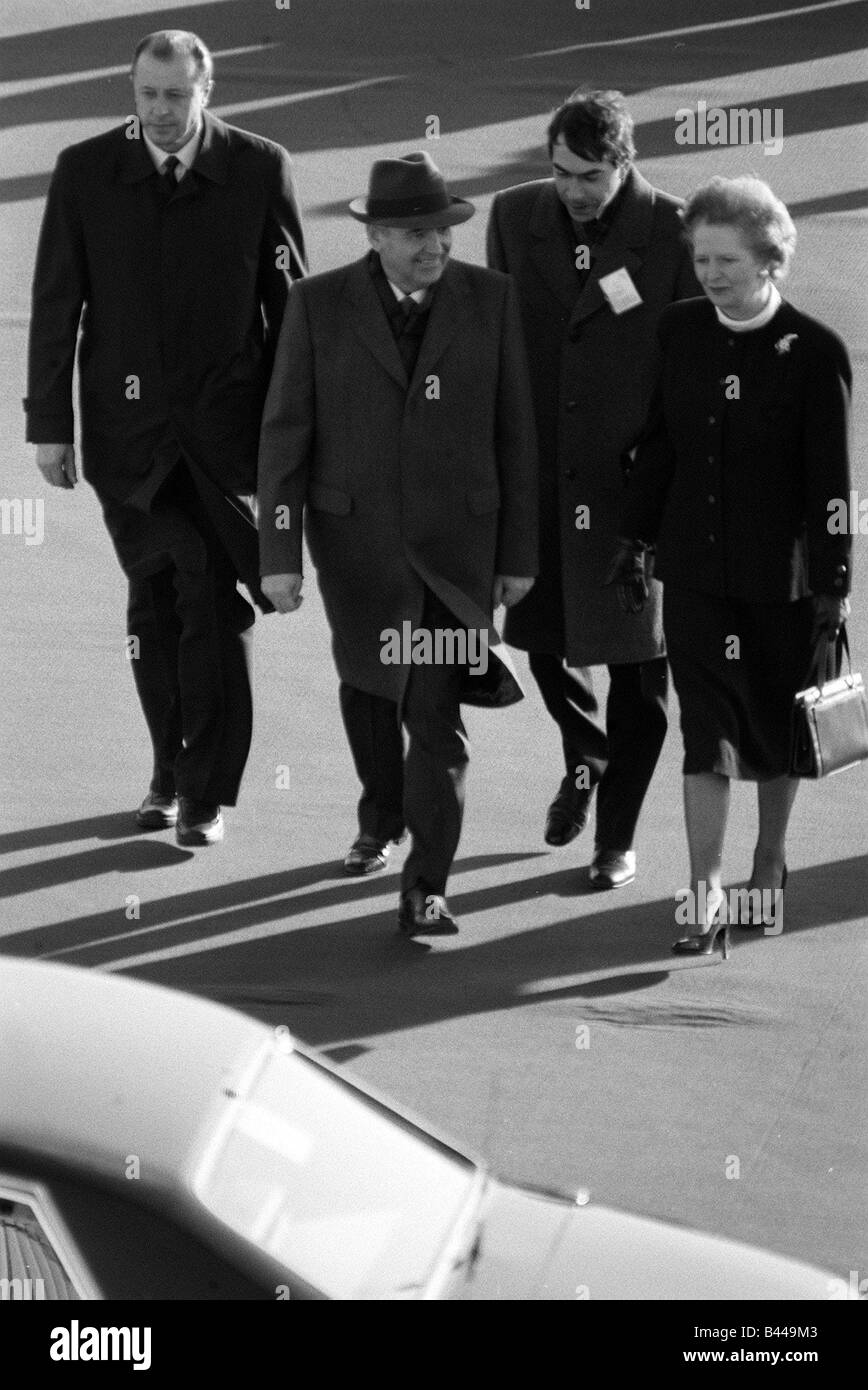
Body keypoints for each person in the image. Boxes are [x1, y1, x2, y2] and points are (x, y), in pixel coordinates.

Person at [25, 29, 306, 846]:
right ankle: (167, 771)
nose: (160, 111)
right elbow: (56, 303)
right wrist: (52, 426)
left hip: (224, 438)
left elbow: (288, 315)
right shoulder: (87, 170)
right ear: (133, 91)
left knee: (211, 600)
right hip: (125, 436)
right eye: (148, 94)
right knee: (153, 601)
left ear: (207, 89)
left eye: (176, 96)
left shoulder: (259, 167)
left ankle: (205, 792)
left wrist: (295, 437)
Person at [258, 152, 538, 935]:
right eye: (417, 233)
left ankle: (427, 888)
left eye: (444, 232)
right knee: (370, 690)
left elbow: (517, 434)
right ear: (376, 234)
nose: (437, 248)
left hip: (457, 559)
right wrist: (277, 557)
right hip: (357, 552)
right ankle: (379, 815)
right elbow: (284, 438)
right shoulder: (316, 305)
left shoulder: (493, 299)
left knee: (436, 718)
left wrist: (519, 553)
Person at [609, 175, 852, 955]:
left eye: (728, 262)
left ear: (771, 261)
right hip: (696, 576)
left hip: (779, 583)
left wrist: (833, 589)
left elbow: (829, 484)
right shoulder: (680, 331)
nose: (711, 275)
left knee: (776, 732)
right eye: (702, 258)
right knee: (705, 731)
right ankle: (706, 891)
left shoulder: (815, 352)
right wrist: (633, 538)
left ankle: (769, 862)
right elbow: (661, 444)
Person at [486, 90, 699, 890]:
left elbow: (691, 354)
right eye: (561, 171)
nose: (572, 190)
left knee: (641, 673)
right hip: (542, 476)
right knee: (541, 639)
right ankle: (585, 749)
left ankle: (616, 838)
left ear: (624, 162)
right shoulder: (514, 217)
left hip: (635, 485)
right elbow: (501, 339)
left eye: (590, 175)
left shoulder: (676, 231)